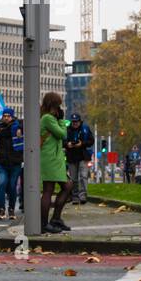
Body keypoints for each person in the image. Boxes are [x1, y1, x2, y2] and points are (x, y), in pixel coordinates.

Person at [40, 92, 72, 232]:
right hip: (50, 158)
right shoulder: (48, 118)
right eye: (58, 105)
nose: (59, 108)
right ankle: (44, 223)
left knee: (67, 186)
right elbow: (62, 134)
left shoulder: (48, 117)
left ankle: (55, 218)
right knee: (49, 190)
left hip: (54, 158)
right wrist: (61, 121)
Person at [0, 107, 25, 219]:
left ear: (12, 116)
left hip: (15, 163)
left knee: (12, 186)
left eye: (8, 116)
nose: (6, 118)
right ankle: (1, 209)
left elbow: (27, 122)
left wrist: (20, 127)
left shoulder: (17, 125)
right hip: (2, 162)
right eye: (4, 116)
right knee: (1, 184)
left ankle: (11, 209)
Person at [64, 113, 94, 204]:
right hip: (71, 156)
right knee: (73, 178)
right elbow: (62, 141)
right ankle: (75, 197)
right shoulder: (67, 130)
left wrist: (82, 144)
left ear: (80, 121)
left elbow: (91, 141)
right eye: (73, 122)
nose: (75, 123)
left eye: (76, 121)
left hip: (83, 156)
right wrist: (67, 144)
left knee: (83, 176)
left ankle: (83, 196)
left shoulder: (85, 128)